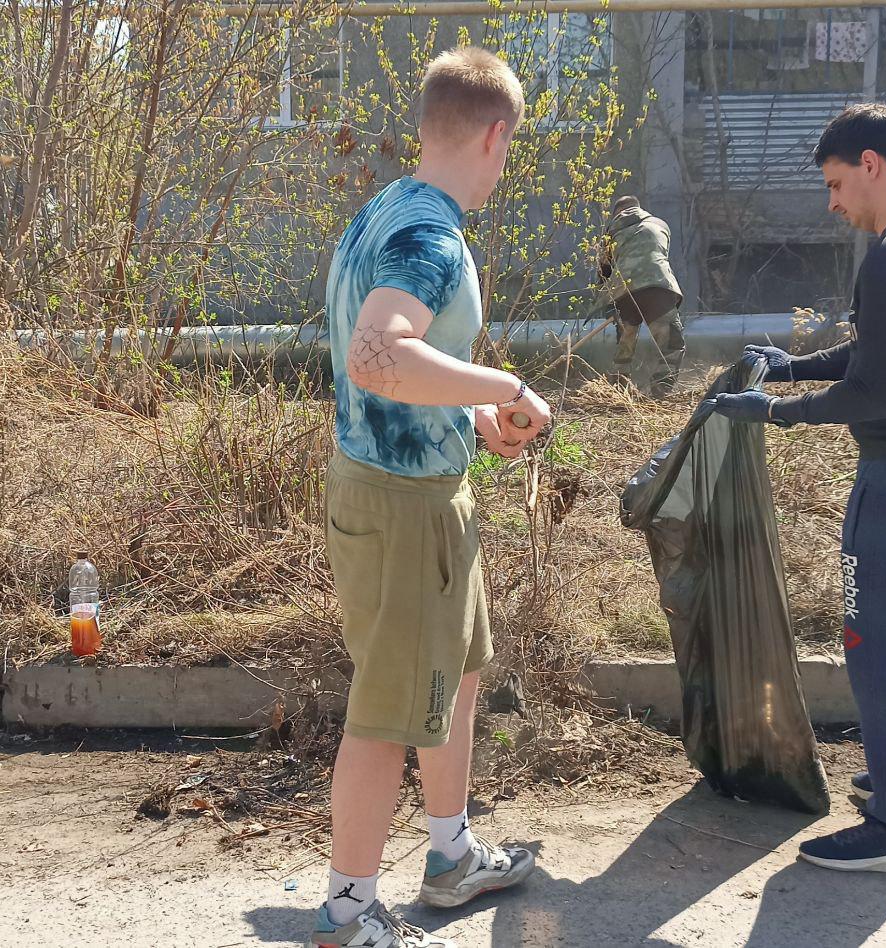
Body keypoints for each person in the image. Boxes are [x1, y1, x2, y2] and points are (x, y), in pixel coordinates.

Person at [312, 47, 551, 948]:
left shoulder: (388, 207)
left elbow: (395, 367)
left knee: (456, 674)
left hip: (416, 487)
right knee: (386, 714)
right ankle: (345, 914)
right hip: (403, 508)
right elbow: (379, 352)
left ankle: (448, 857)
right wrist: (505, 388)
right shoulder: (431, 235)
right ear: (496, 137)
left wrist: (476, 417)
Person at [712, 104, 886, 876]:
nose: (833, 203)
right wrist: (795, 366)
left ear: (871, 163)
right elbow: (882, 354)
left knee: (874, 645)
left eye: (836, 184)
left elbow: (873, 395)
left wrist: (774, 412)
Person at [597, 195, 686, 395]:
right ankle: (659, 391)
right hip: (657, 289)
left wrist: (606, 301)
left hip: (623, 293)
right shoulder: (659, 224)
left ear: (616, 214)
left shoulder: (610, 233)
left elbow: (604, 272)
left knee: (624, 348)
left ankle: (618, 392)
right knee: (670, 345)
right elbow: (660, 255)